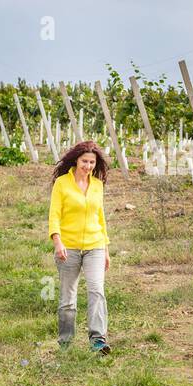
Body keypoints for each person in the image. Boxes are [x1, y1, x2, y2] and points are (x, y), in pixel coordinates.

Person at [47, 141, 112, 352]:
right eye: (85, 161)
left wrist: (106, 249)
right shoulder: (62, 183)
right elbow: (54, 214)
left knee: (97, 291)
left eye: (92, 162)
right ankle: (65, 342)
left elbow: (100, 218)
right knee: (68, 297)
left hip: (95, 245)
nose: (88, 166)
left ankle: (98, 339)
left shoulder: (97, 185)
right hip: (69, 246)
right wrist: (57, 241)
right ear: (76, 160)